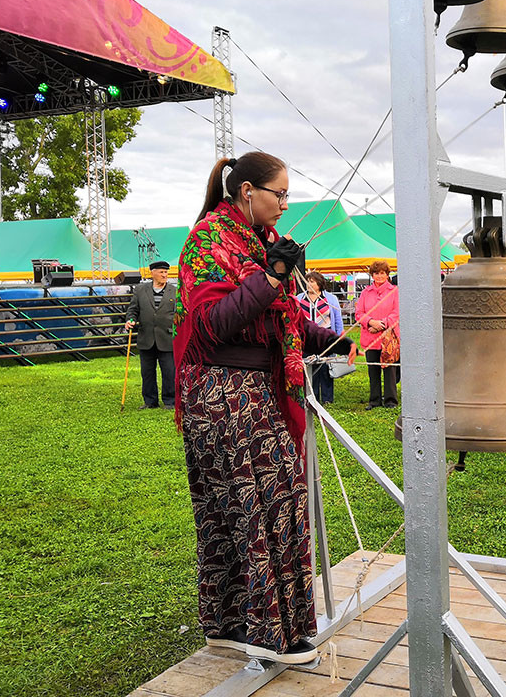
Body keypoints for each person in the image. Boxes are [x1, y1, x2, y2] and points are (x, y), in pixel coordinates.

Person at [173, 152, 357, 665]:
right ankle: (250, 630)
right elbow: (213, 323)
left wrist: (337, 339)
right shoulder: (207, 240)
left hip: (262, 392)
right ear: (247, 190)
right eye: (280, 194)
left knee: (279, 507)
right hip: (223, 395)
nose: (284, 205)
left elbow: (285, 322)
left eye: (288, 195)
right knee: (243, 510)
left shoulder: (263, 246)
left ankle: (270, 627)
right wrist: (271, 277)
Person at [125, 260, 176, 409]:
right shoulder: (140, 290)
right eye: (161, 272)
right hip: (146, 337)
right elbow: (133, 310)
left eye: (166, 272)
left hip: (167, 338)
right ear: (152, 273)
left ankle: (170, 401)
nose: (164, 275)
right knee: (147, 372)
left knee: (169, 372)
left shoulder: (175, 290)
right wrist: (130, 320)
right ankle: (150, 401)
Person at [355, 260, 400, 409]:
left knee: (390, 371)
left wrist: (381, 324)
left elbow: (396, 313)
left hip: (388, 337)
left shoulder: (394, 291)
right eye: (376, 273)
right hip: (370, 337)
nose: (379, 276)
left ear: (387, 274)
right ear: (372, 275)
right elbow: (359, 313)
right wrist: (370, 322)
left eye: (382, 273)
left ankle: (390, 401)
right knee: (373, 371)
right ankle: (374, 400)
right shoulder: (365, 292)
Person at [296, 270, 344, 404]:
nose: (309, 284)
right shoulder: (300, 298)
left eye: (312, 281)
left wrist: (339, 337)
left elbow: (338, 320)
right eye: (307, 281)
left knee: (326, 368)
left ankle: (328, 398)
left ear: (319, 284)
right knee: (310, 367)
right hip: (307, 338)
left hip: (325, 336)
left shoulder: (330, 299)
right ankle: (313, 397)